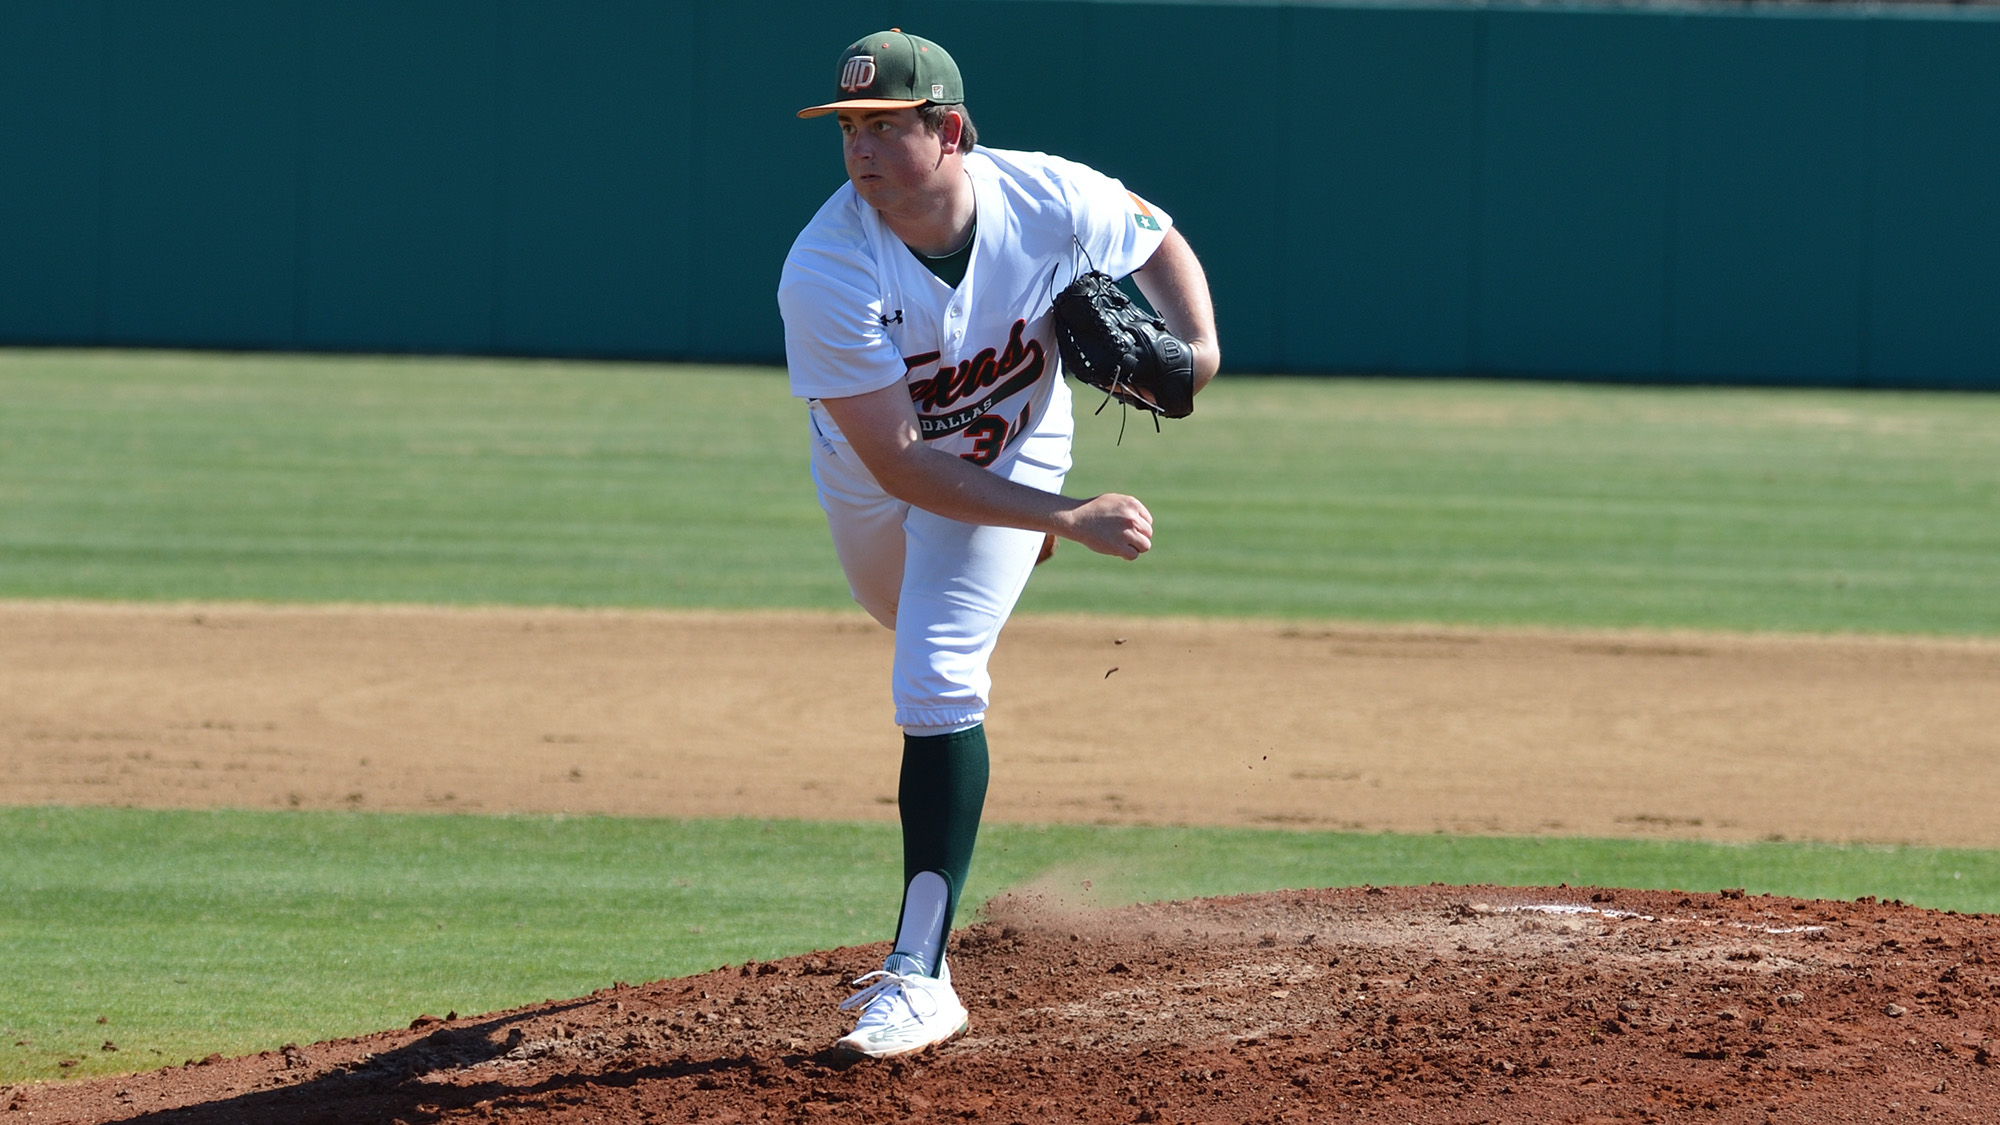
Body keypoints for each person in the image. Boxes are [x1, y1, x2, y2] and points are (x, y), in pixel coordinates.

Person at [776, 28, 1220, 1060]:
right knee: (897, 613)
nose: (861, 149)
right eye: (848, 128)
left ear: (952, 129)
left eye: (886, 126)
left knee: (933, 674)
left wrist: (1195, 357)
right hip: (874, 480)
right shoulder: (827, 267)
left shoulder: (1047, 198)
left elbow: (1155, 236)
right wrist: (1062, 520)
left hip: (1021, 443)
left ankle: (918, 976)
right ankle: (1011, 544)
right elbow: (897, 464)